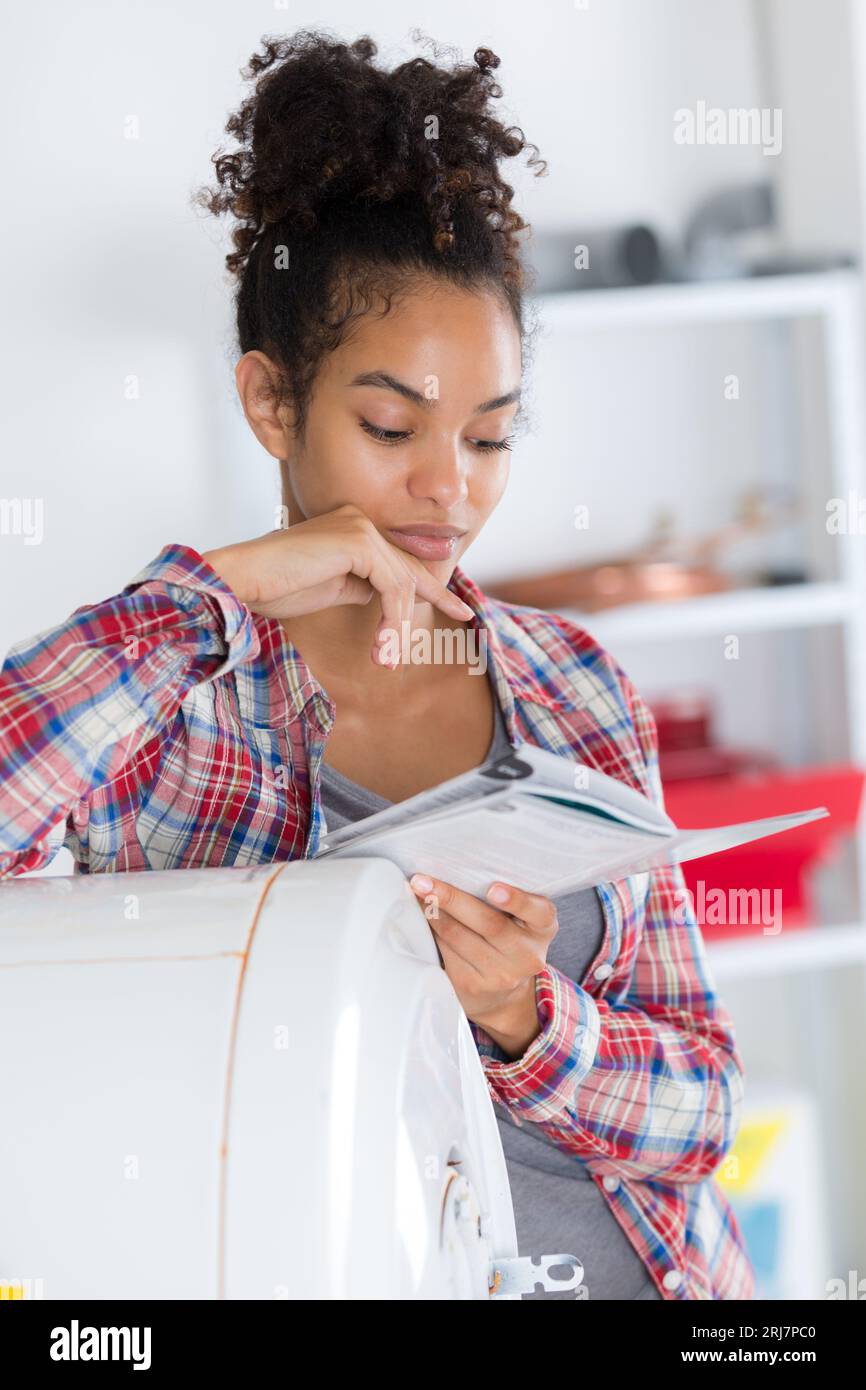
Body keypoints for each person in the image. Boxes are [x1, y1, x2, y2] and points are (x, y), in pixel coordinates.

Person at [0, 29, 755, 1301]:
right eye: (389, 425)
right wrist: (226, 587)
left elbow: (703, 1113)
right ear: (270, 402)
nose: (445, 488)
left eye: (490, 436)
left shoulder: (573, 685)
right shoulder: (162, 709)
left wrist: (530, 1020)